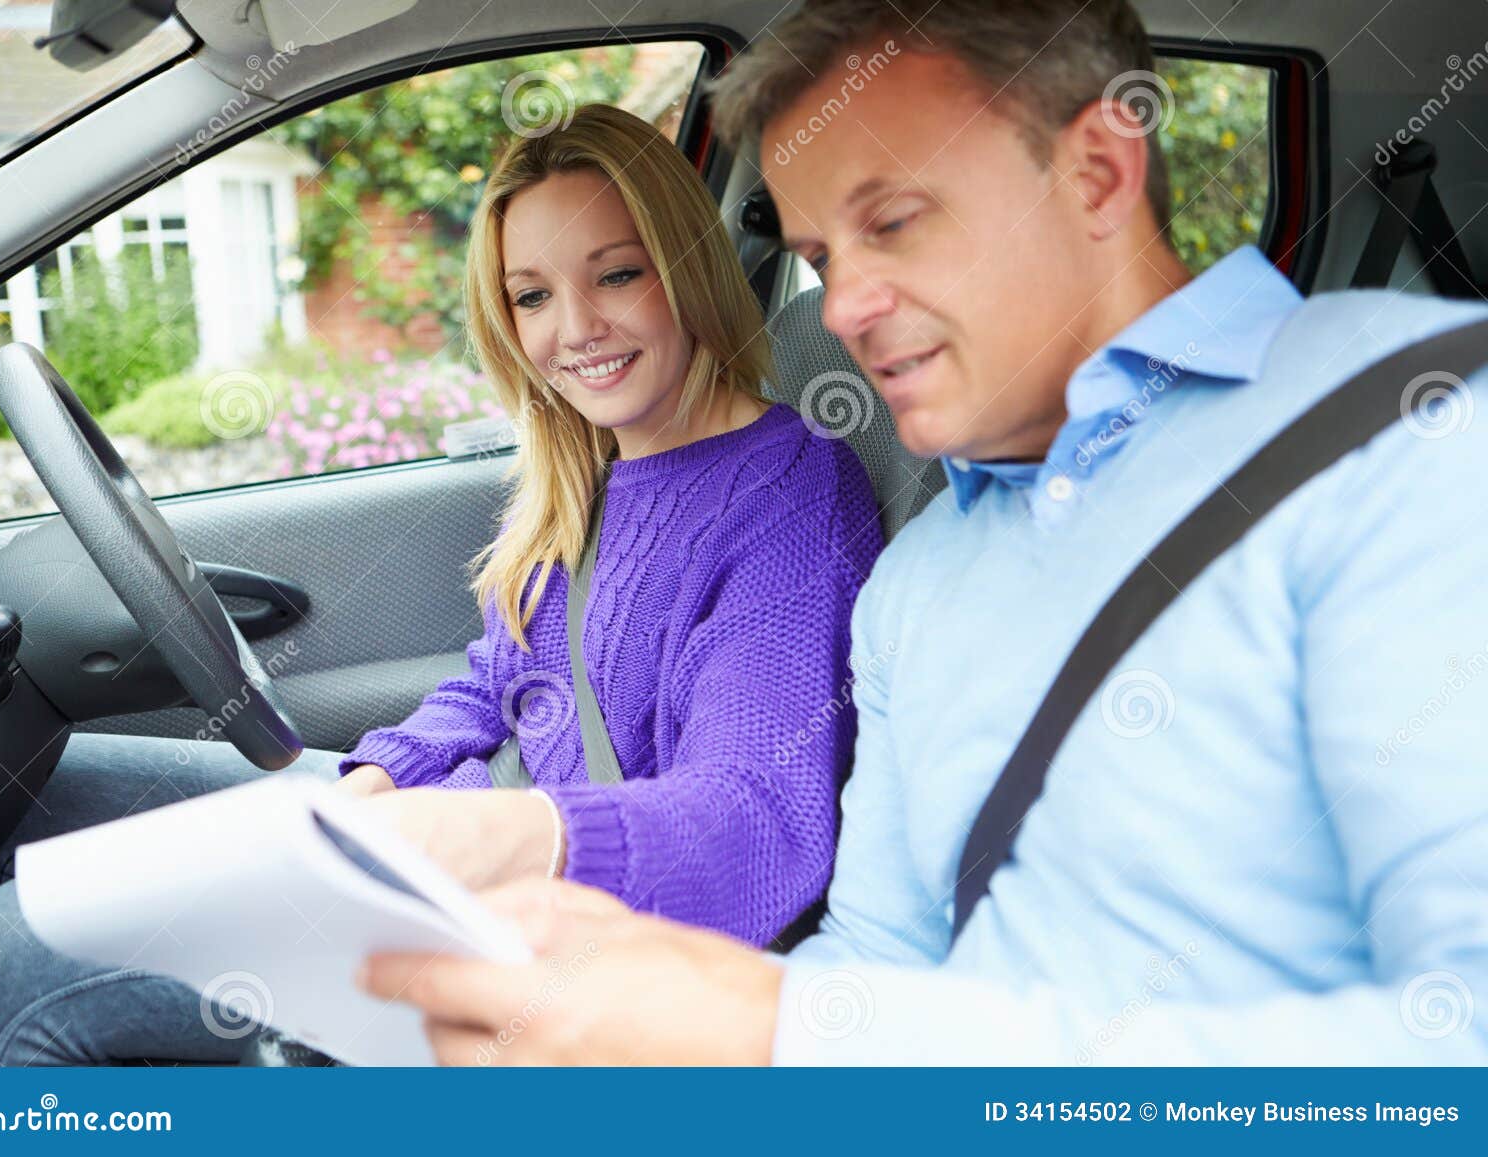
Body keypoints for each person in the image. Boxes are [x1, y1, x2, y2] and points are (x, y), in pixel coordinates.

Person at [362, 0, 1488, 1065]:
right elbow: (875, 958)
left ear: (1097, 171)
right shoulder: (919, 576)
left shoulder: (1418, 427)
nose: (841, 307)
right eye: (819, 260)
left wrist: (765, 1033)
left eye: (892, 222)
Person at [0, 102, 883, 1065]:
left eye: (618, 273)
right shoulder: (589, 468)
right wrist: (385, 779)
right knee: (37, 785)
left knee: (7, 965)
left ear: (686, 266)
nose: (576, 329)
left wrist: (478, 835)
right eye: (532, 296)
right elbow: (493, 680)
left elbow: (753, 818)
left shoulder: (791, 497)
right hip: (465, 834)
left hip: (565, 931)